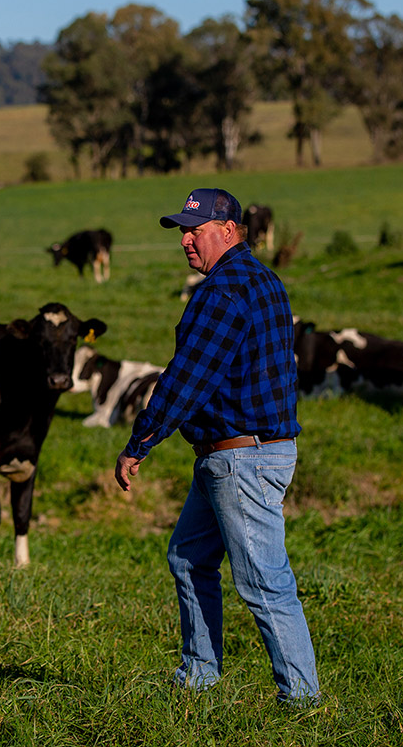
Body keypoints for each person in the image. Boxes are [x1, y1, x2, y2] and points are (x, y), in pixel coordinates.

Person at [114, 187, 319, 704]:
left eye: (195, 229)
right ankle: (199, 678)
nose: (185, 240)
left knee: (265, 584)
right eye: (182, 230)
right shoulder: (265, 281)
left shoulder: (221, 291)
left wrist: (140, 441)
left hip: (239, 458)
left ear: (228, 230)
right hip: (247, 451)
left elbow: (187, 379)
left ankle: (302, 702)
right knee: (188, 557)